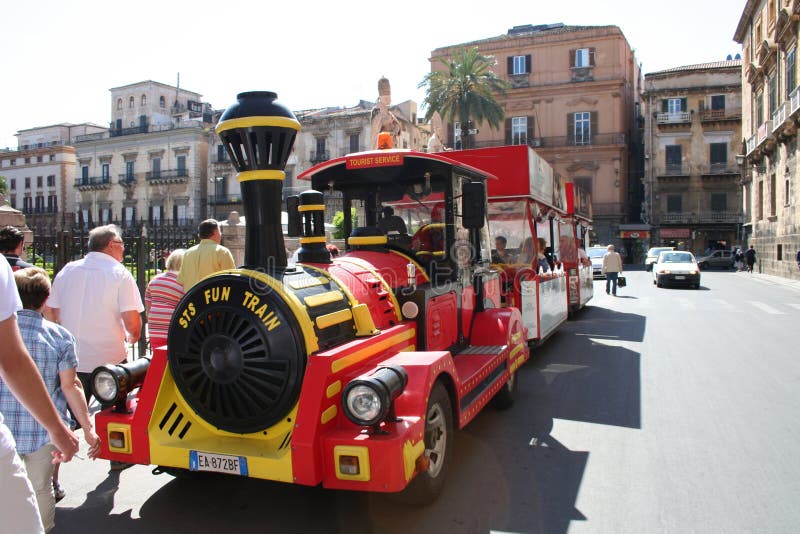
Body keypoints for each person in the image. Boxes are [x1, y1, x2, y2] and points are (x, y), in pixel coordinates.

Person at [1, 267, 101, 531]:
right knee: (41, 489)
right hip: (44, 431)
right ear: (45, 300)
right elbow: (71, 386)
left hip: (5, 427)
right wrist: (88, 430)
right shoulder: (60, 336)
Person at [45, 225, 143, 471]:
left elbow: (51, 312)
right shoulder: (119, 273)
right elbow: (132, 319)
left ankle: (52, 474)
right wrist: (134, 336)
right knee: (114, 411)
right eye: (121, 243)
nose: (124, 248)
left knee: (64, 416)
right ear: (111, 245)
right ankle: (117, 457)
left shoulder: (67, 270)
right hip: (107, 356)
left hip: (70, 358)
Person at [145, 249, 186, 351]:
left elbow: (148, 307)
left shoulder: (155, 280)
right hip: (174, 329)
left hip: (154, 327)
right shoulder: (184, 283)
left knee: (158, 357)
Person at [178, 219, 236, 290]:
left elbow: (181, 280)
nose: (221, 234)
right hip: (213, 299)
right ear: (216, 232)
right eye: (220, 231)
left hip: (191, 298)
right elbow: (232, 279)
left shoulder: (187, 253)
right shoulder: (222, 251)